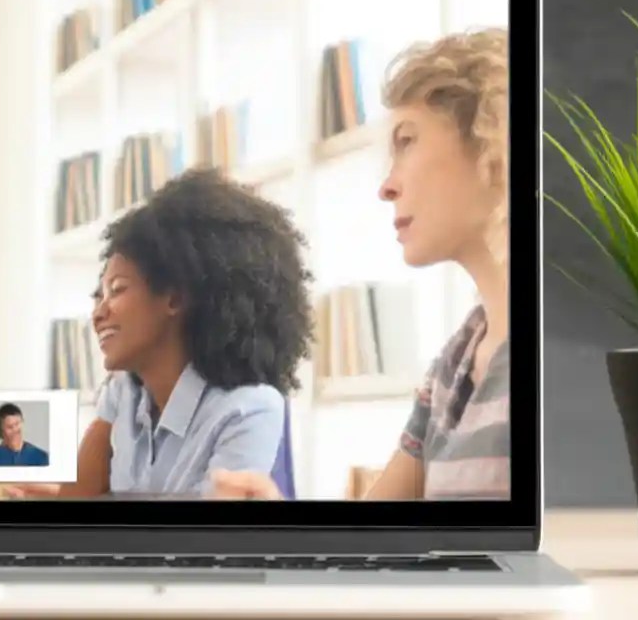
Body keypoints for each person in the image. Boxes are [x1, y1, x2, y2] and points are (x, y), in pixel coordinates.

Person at [212, 28, 511, 502]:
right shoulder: (452, 365)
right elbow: (368, 531)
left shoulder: (545, 364)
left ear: (492, 143)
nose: (386, 187)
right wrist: (271, 522)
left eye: (407, 141)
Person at [10, 168, 313, 499]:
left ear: (175, 298)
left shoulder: (249, 409)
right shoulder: (122, 393)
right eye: (99, 296)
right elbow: (74, 507)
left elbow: (208, 543)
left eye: (117, 289)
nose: (99, 313)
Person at [0, 403, 49, 467]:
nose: (15, 430)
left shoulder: (40, 457)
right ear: (1, 432)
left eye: (17, 424)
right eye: (9, 427)